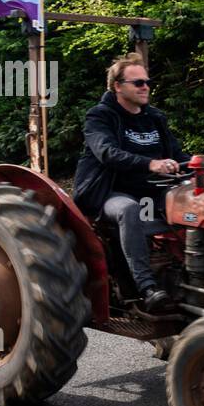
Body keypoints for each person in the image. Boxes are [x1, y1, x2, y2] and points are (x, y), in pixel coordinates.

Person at [72, 53, 185, 312]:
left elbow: (177, 155)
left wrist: (203, 166)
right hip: (107, 192)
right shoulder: (100, 117)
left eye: (147, 82)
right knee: (128, 209)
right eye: (138, 83)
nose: (145, 86)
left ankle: (189, 277)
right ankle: (146, 288)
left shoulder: (155, 118)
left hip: (151, 190)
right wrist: (151, 163)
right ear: (118, 86)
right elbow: (107, 153)